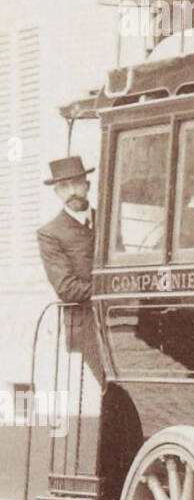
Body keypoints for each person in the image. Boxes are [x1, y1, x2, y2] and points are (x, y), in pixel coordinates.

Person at [36, 155, 106, 386]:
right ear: (57, 193)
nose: (72, 192)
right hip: (86, 324)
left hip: (121, 319)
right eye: (64, 187)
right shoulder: (50, 233)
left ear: (87, 185)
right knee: (111, 386)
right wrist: (111, 288)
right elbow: (67, 288)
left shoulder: (106, 219)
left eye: (76, 183)